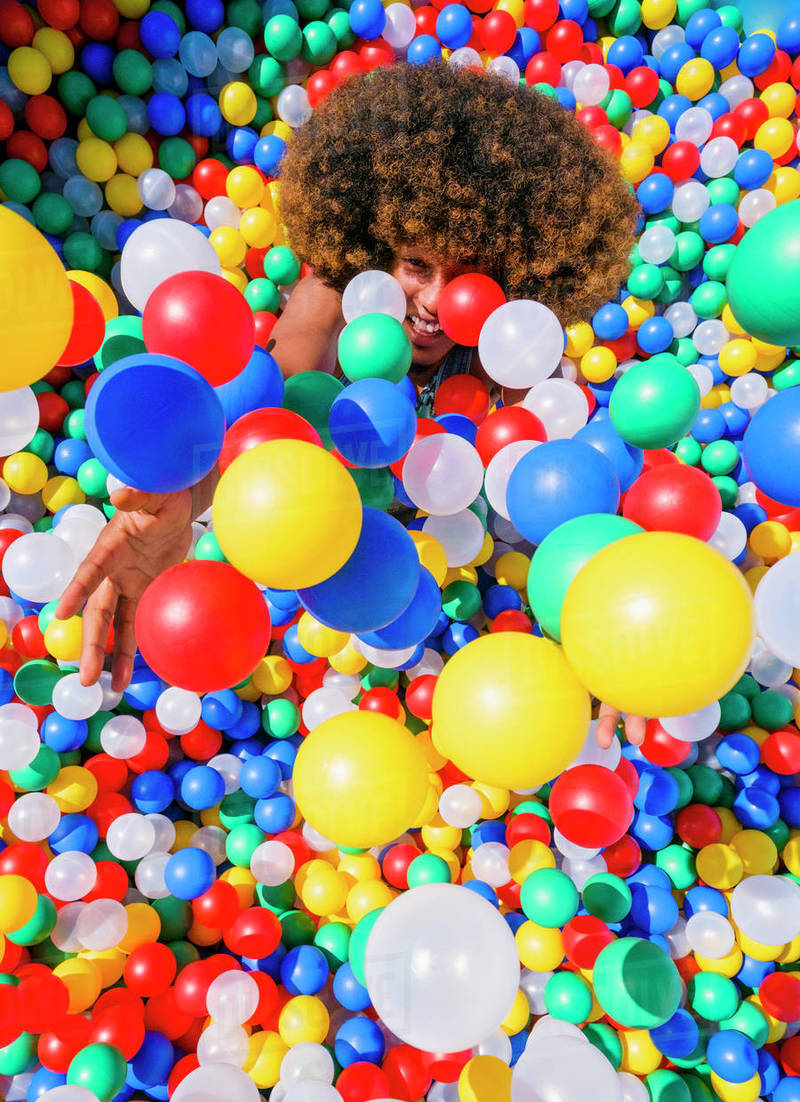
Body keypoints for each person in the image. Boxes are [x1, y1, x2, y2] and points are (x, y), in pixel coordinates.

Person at [56, 60, 644, 747]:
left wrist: (608, 613)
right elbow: (263, 427)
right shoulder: (328, 300)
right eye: (417, 265)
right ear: (377, 245)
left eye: (467, 277)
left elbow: (539, 476)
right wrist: (191, 495)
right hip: (324, 500)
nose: (432, 301)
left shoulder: (504, 344)